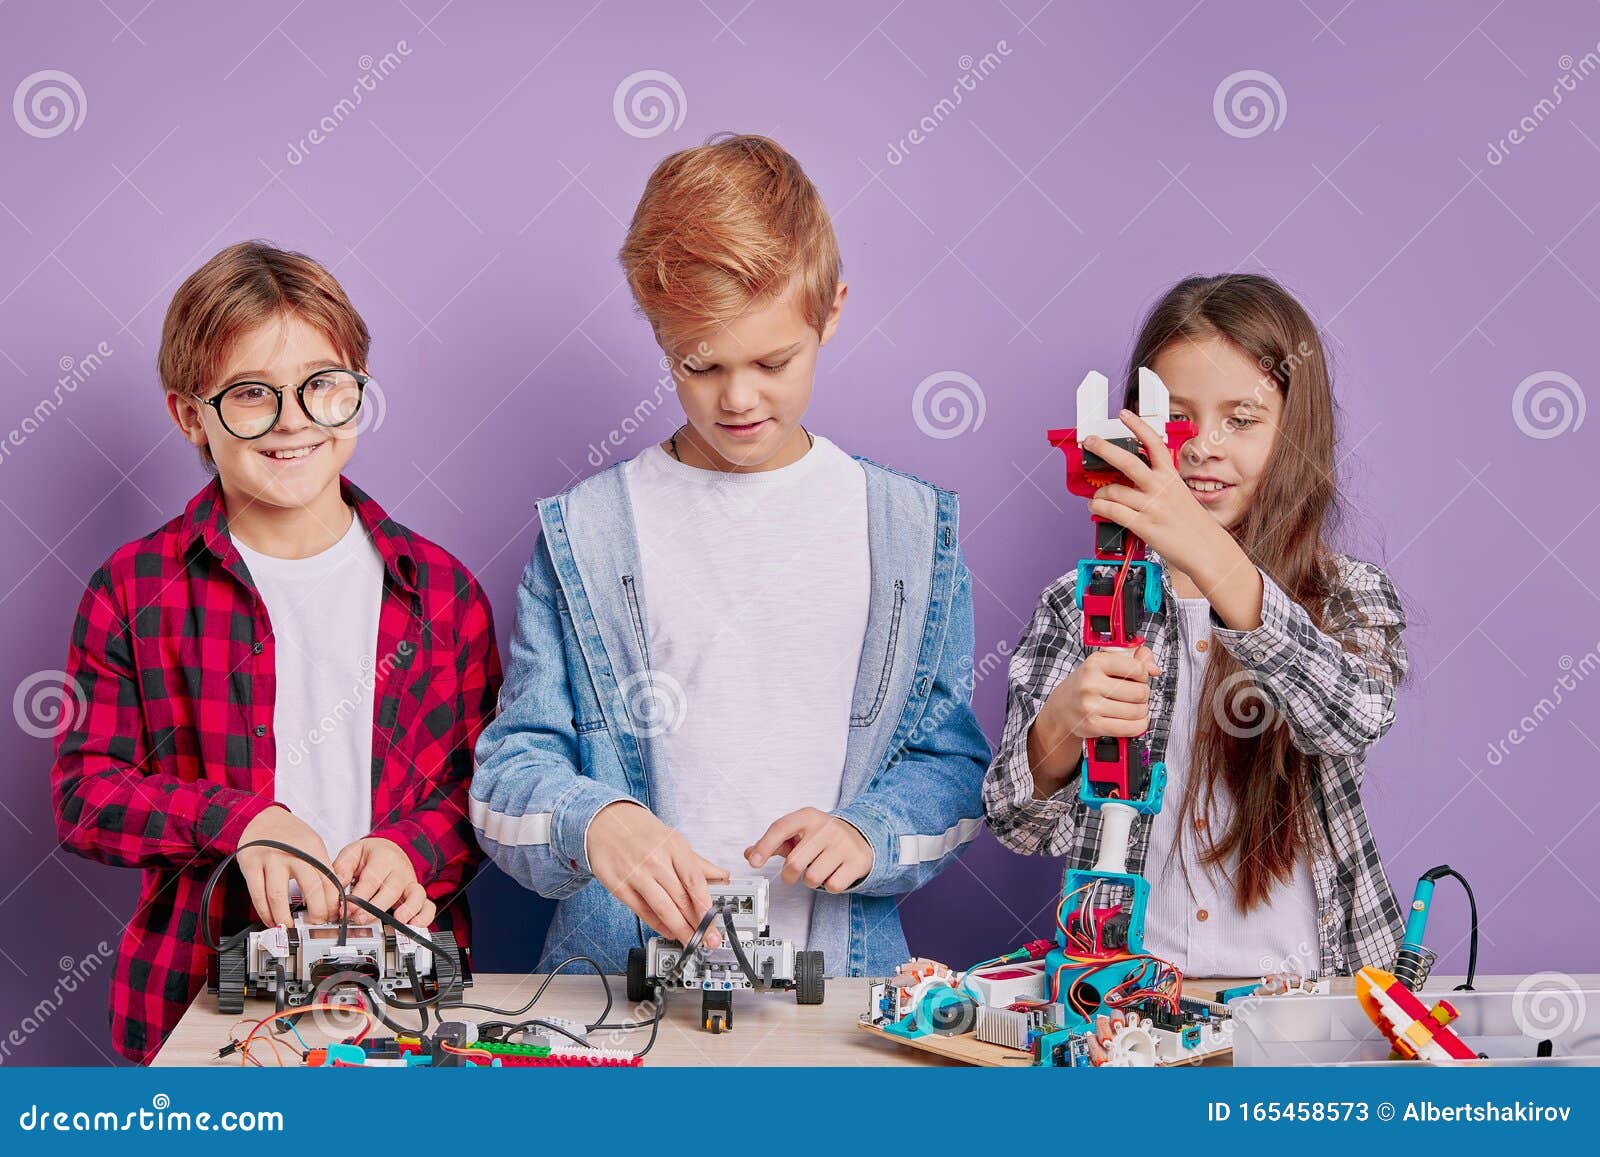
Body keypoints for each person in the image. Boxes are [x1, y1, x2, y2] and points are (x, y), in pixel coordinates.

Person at [471, 135, 990, 975]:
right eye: (700, 364)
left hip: (840, 1003)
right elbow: (506, 778)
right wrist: (594, 819)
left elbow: (955, 767)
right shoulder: (588, 532)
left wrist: (871, 831)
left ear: (832, 310)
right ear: (656, 329)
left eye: (774, 361)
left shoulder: (905, 530)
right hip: (622, 996)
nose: (740, 398)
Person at [51, 241, 500, 1062]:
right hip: (196, 1004)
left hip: (403, 1007)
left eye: (323, 386)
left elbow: (485, 791)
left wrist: (413, 848)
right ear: (191, 414)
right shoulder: (132, 587)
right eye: (253, 394)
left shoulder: (443, 592)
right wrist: (244, 820)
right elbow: (85, 793)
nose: (294, 420)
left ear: (357, 395)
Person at [984, 273, 1409, 977]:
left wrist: (1208, 553)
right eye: (1176, 418)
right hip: (1131, 991)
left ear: (1293, 431)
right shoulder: (1081, 603)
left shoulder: (1348, 596)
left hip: (1307, 995)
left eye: (1241, 420)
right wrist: (1060, 725)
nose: (1203, 447)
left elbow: (1353, 716)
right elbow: (1017, 825)